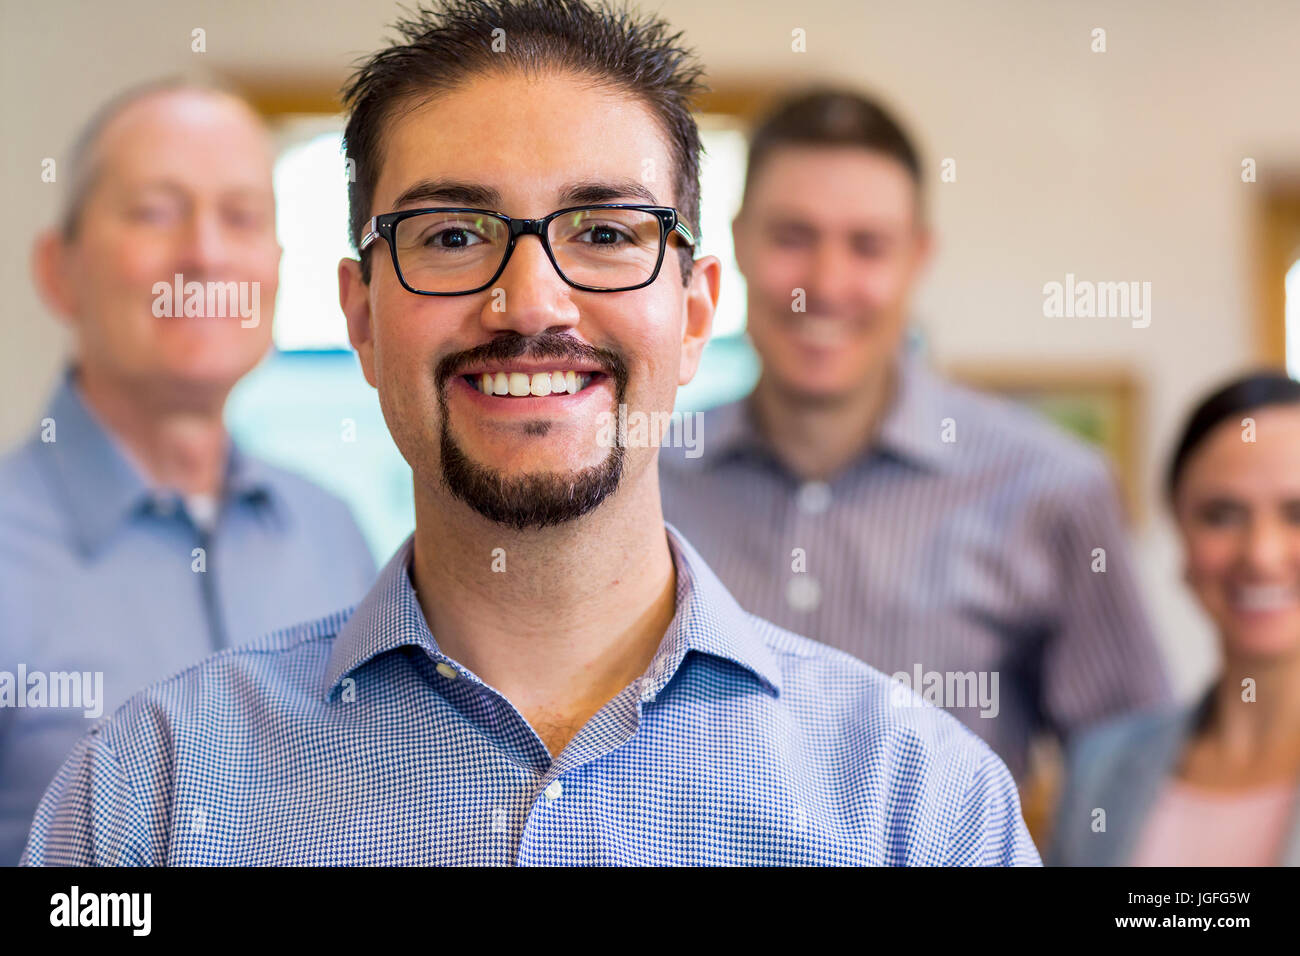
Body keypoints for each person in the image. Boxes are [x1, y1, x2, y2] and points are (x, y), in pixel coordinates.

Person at [23, 0, 1038, 866]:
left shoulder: (923, 811)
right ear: (362, 318)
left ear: (692, 315)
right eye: (454, 235)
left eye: (603, 234)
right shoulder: (144, 797)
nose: (529, 301)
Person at [659, 88, 1170, 784]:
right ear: (740, 240)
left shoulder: (1051, 487)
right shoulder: (649, 480)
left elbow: (1133, 778)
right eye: (792, 238)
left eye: (867, 245)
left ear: (917, 258)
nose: (825, 283)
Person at [0, 81, 376, 864]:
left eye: (240, 216)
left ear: (273, 270)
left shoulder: (334, 530)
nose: (205, 255)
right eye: (156, 211)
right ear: (57, 270)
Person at [1050, 372, 1300, 865]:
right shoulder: (1098, 768)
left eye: (1297, 513)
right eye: (1222, 515)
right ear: (1180, 534)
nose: (1262, 554)